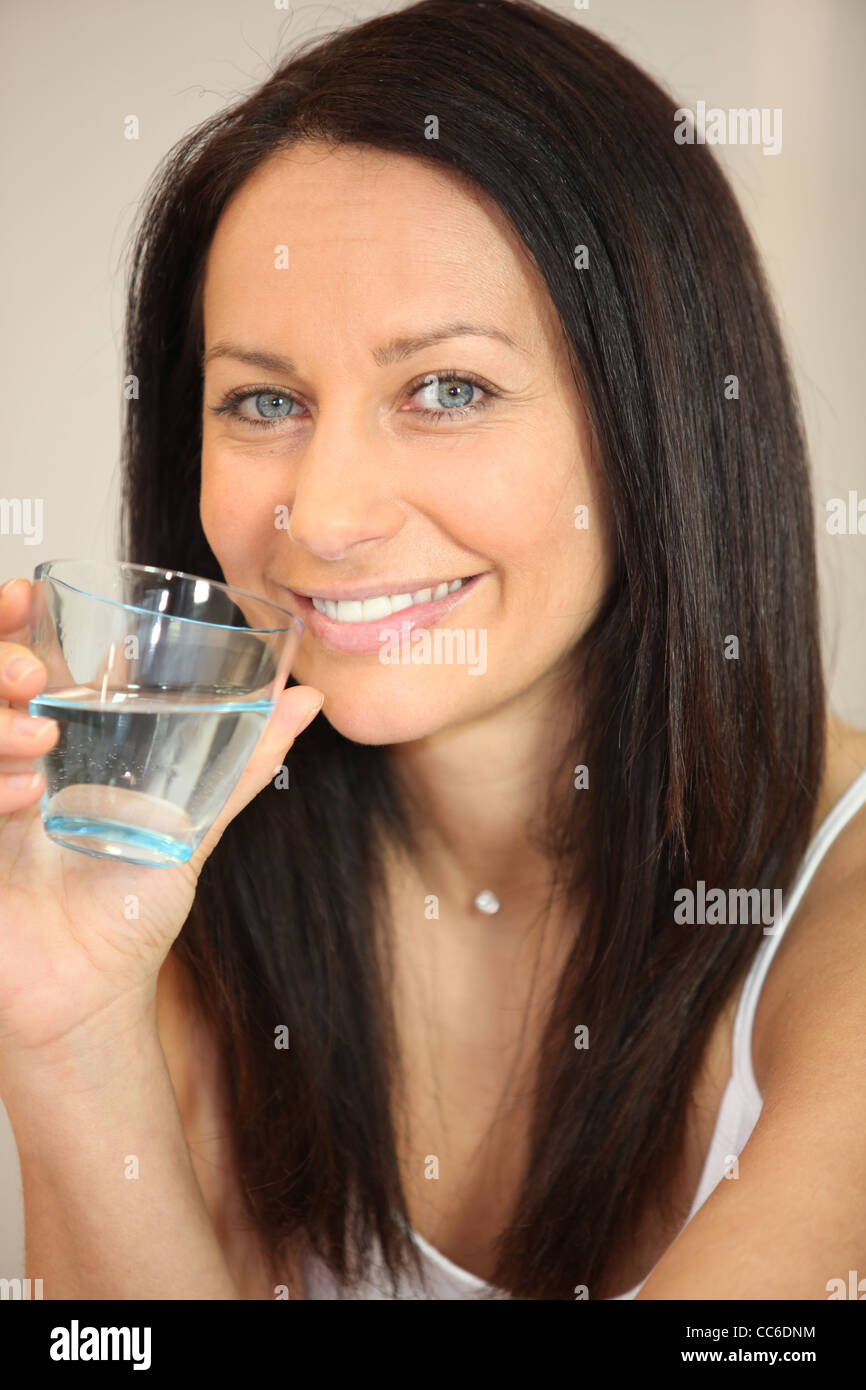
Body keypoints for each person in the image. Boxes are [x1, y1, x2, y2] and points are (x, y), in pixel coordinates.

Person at [1, 0, 865, 1301]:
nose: (327, 515)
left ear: (657, 424)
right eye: (265, 401)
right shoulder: (188, 881)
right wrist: (63, 1029)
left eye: (446, 389)